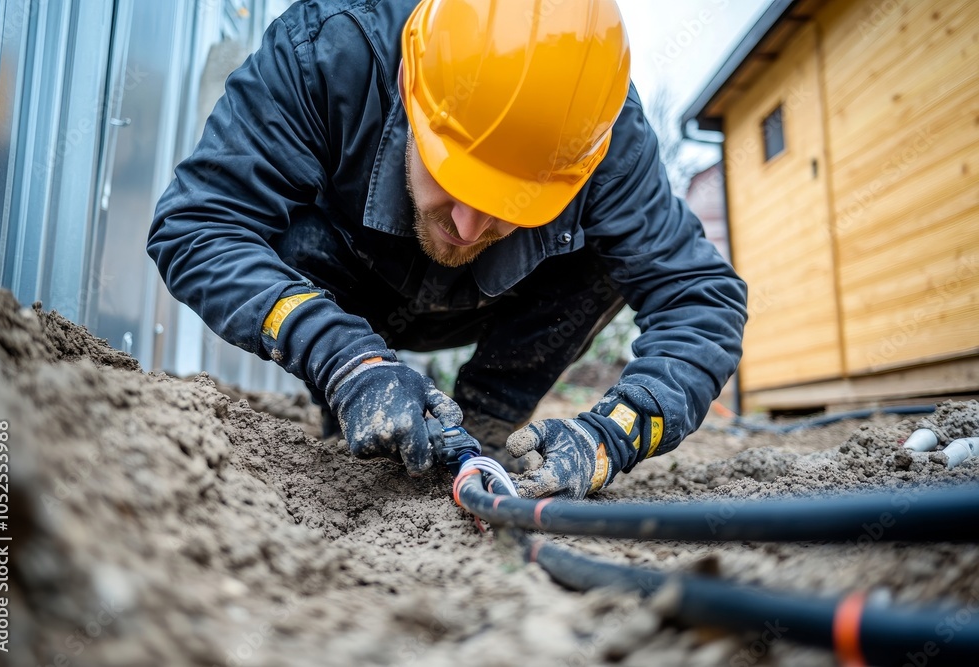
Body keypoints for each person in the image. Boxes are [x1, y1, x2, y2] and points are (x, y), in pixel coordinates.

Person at [147, 0, 747, 499]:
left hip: (499, 302)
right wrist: (341, 357)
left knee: (610, 253)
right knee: (283, 226)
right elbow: (196, 222)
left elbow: (701, 297)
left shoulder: (602, 137)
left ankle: (486, 419)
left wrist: (613, 436)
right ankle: (357, 392)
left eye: (509, 202)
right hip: (351, 283)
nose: (466, 225)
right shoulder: (329, 48)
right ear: (412, 85)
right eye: (453, 177)